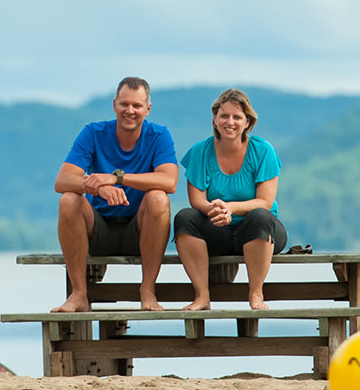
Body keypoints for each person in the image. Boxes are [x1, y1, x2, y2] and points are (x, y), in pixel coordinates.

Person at [52, 76, 178, 313]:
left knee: (158, 197)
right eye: (124, 104)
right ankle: (79, 294)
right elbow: (62, 180)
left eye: (137, 105)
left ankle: (148, 289)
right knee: (69, 199)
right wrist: (98, 187)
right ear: (114, 105)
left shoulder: (159, 135)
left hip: (140, 231)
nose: (130, 111)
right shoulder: (93, 132)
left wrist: (117, 178)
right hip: (98, 229)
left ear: (147, 109)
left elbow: (169, 181)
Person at [173, 88, 287, 310]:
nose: (230, 122)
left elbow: (264, 201)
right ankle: (202, 296)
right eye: (224, 115)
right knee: (184, 218)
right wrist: (215, 210)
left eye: (237, 117)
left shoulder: (263, 151)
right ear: (215, 120)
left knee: (260, 216)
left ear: (247, 122)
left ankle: (256, 293)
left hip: (260, 230)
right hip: (217, 229)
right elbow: (196, 200)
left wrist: (230, 208)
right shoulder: (200, 151)